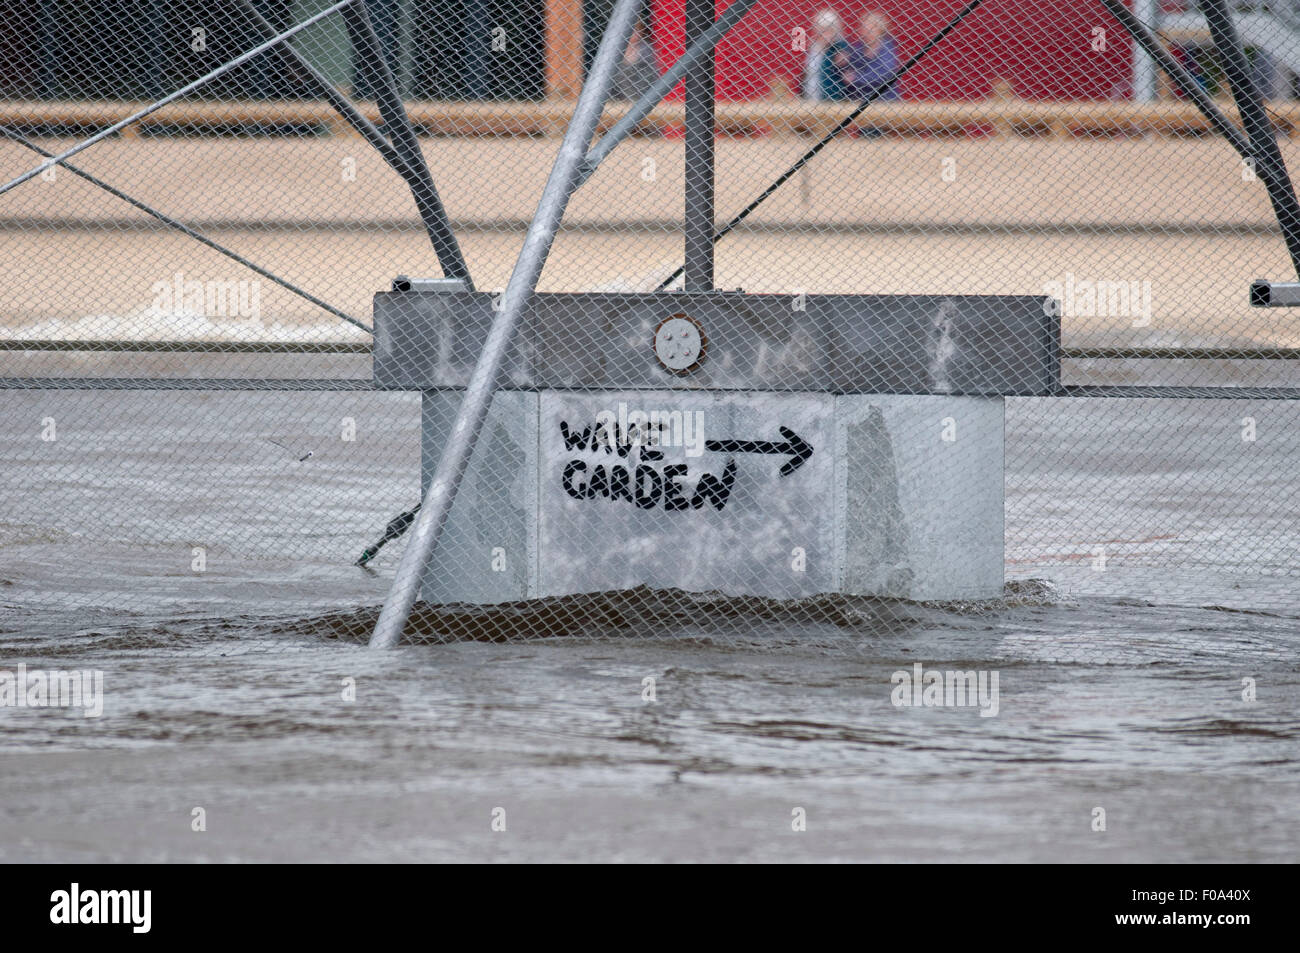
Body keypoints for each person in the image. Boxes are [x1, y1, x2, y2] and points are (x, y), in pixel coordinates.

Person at [846, 12, 900, 102]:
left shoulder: (887, 48)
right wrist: (843, 60)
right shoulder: (858, 47)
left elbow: (883, 74)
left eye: (870, 29)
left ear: (879, 30)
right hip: (860, 99)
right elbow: (848, 68)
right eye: (864, 28)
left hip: (884, 99)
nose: (865, 32)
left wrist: (856, 79)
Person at [802, 10, 853, 102]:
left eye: (829, 29)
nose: (825, 33)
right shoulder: (814, 47)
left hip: (831, 99)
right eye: (821, 29)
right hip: (811, 98)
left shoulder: (839, 47)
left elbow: (846, 68)